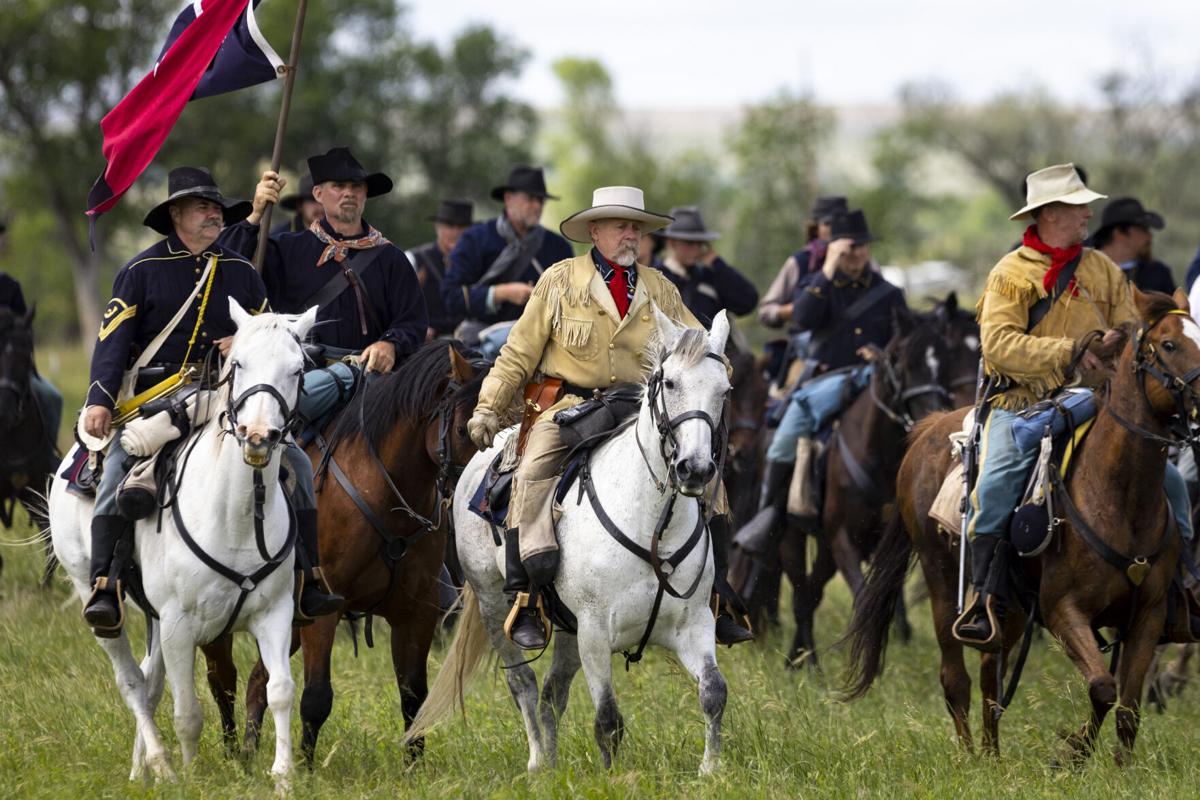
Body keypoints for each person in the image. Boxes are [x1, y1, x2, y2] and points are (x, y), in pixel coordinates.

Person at [466, 186, 753, 650]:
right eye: (621, 226)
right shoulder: (559, 282)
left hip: (642, 409)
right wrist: (488, 407)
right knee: (532, 469)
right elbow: (517, 353)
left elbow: (703, 346)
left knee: (709, 481)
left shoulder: (661, 288)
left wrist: (715, 375)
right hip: (569, 407)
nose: (631, 235)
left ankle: (716, 597)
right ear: (594, 231)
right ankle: (527, 597)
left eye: (636, 228)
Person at [80, 167, 341, 635]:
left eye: (217, 209)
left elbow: (268, 336)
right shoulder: (140, 271)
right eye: (202, 207)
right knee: (118, 464)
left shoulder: (241, 271)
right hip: (155, 397)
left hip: (222, 395)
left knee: (298, 465)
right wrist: (99, 399)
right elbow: (112, 344)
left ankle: (308, 578)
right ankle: (106, 582)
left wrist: (241, 342)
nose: (213, 215)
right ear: (175, 214)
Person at [953, 163, 1192, 649]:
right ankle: (986, 599)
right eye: (1078, 206)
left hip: (1098, 401)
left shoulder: (1101, 267)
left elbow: (1132, 326)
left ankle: (1179, 590)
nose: (1087, 214)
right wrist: (1071, 350)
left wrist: (1118, 339)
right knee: (996, 485)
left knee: (1171, 483)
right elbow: (998, 346)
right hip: (1021, 402)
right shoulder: (1010, 274)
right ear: (1049, 213)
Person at [735, 209, 906, 544]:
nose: (857, 254)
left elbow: (904, 337)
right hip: (823, 384)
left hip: (876, 383)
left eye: (861, 246)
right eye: (849, 247)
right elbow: (802, 319)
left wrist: (882, 353)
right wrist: (828, 268)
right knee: (781, 445)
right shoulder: (818, 286)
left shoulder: (888, 293)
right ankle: (768, 517)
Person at [441, 166, 574, 342]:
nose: (537, 206)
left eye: (541, 200)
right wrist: (501, 293)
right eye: (530, 199)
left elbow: (572, 302)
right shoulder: (475, 239)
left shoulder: (559, 247)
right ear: (508, 199)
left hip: (541, 342)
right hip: (480, 342)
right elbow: (451, 297)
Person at [0, 222, 63, 449]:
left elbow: (24, 327)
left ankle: (49, 451)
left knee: (52, 396)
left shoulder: (10, 286)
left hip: (10, 368)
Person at [657, 206, 758, 327]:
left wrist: (717, 262)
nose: (696, 248)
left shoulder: (710, 275)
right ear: (671, 243)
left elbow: (748, 301)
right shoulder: (655, 276)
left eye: (700, 243)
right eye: (689, 242)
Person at [758, 195, 848, 329]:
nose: (834, 229)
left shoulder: (859, 259)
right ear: (817, 227)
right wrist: (799, 308)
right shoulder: (800, 262)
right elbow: (766, 312)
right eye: (828, 224)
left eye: (840, 223)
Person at [406, 198, 474, 339]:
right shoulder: (414, 259)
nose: (455, 232)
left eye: (462, 227)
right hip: (425, 341)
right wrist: (415, 327)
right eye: (450, 225)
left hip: (469, 340)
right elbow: (397, 306)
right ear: (438, 227)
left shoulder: (478, 262)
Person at [1091, 196, 1174, 294]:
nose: (1149, 236)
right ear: (1119, 233)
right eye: (1143, 229)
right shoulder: (1085, 267)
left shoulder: (1158, 274)